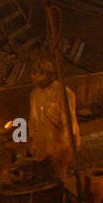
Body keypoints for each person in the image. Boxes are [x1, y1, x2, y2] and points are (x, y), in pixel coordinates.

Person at [28, 57, 80, 187]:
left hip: (58, 146)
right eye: (33, 73)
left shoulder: (63, 93)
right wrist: (31, 139)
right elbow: (33, 119)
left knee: (58, 181)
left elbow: (70, 122)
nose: (32, 77)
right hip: (41, 146)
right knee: (43, 179)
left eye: (36, 73)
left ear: (47, 75)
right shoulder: (35, 93)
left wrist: (69, 147)